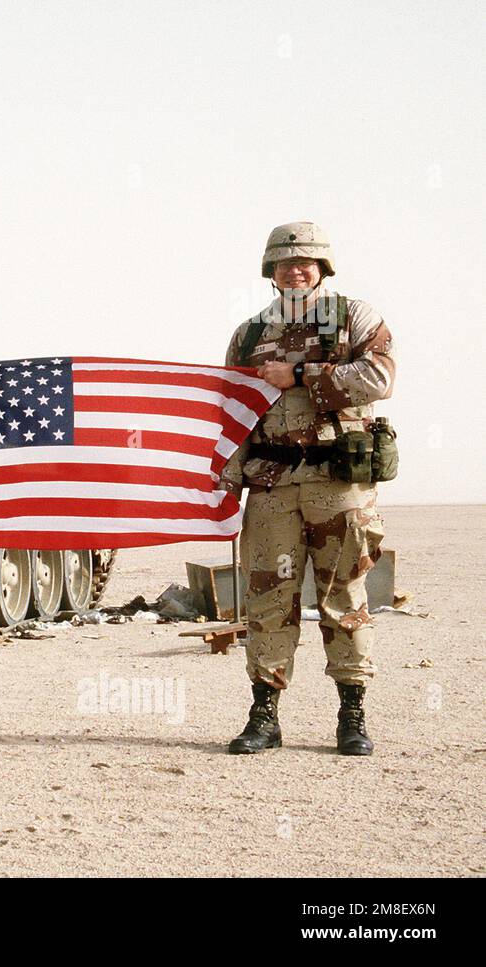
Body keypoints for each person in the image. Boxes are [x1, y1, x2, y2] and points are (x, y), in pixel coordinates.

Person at [220, 222, 396, 756]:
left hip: (338, 483)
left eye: (306, 262)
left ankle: (351, 714)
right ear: (269, 272)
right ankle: (265, 716)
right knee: (268, 598)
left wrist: (299, 376)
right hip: (271, 487)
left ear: (323, 268)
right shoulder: (250, 334)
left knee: (344, 598)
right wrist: (227, 479)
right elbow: (232, 411)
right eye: (284, 263)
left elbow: (380, 377)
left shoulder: (355, 317)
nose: (295, 270)